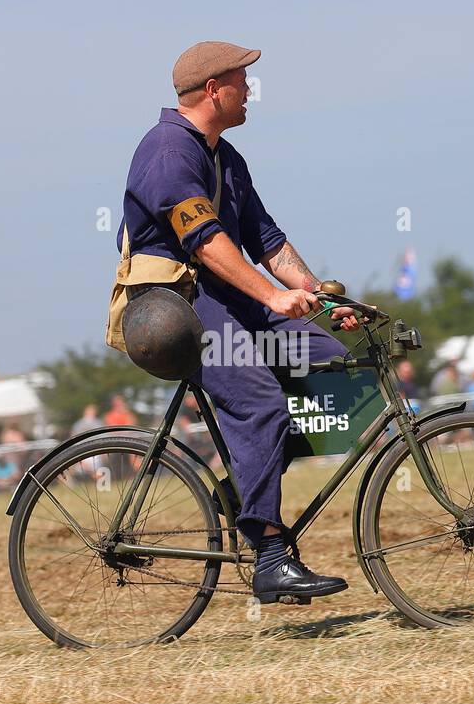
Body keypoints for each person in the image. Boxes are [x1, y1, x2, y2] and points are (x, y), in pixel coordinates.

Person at [112, 40, 361, 605]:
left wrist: (315, 297)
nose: (250, 91)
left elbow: (266, 240)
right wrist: (273, 299)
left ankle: (248, 482)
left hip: (229, 299)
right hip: (176, 305)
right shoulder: (167, 152)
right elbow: (204, 242)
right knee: (260, 403)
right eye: (242, 81)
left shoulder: (226, 157)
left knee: (332, 365)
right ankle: (271, 559)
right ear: (213, 90)